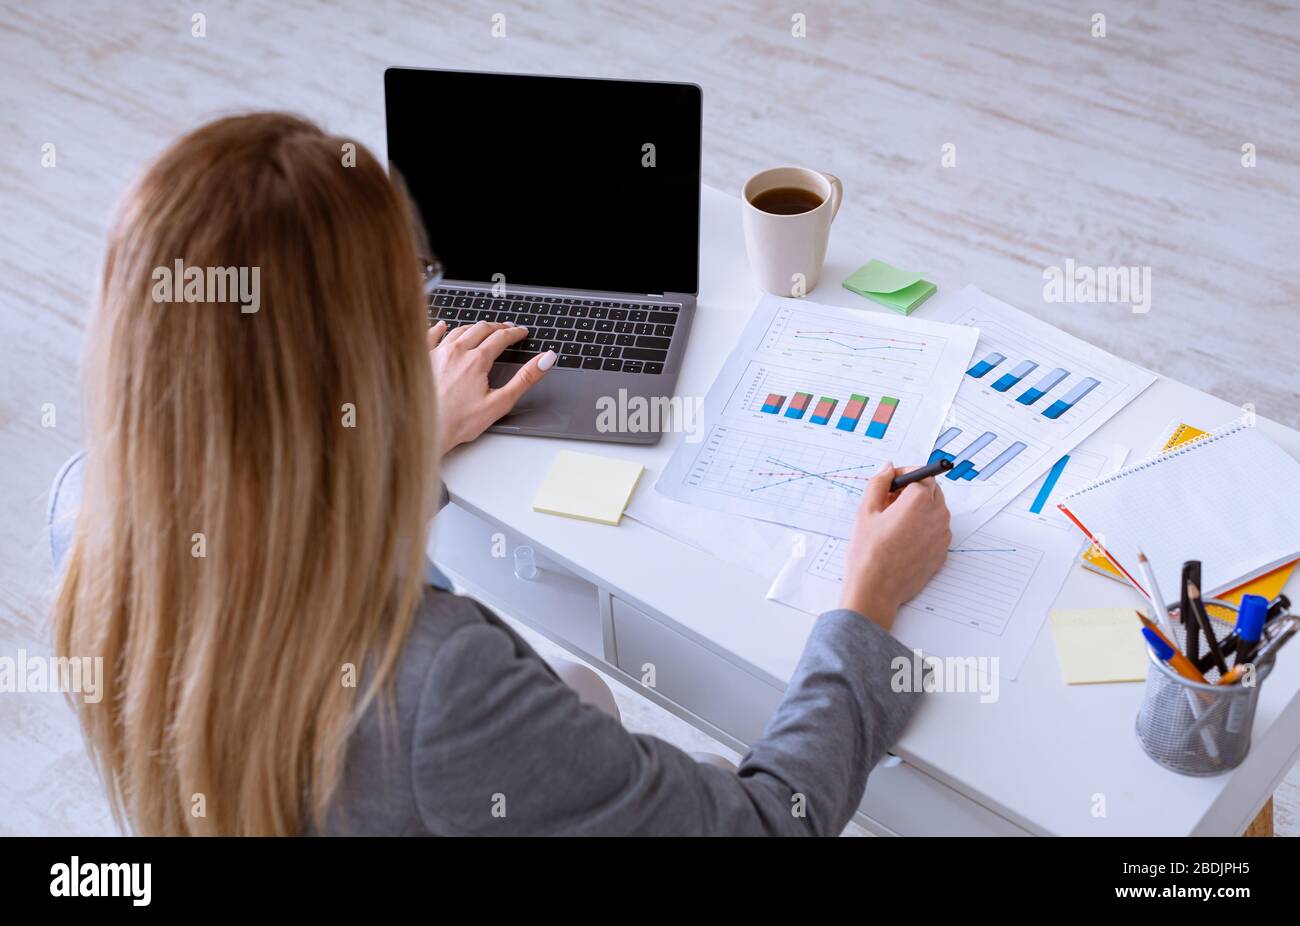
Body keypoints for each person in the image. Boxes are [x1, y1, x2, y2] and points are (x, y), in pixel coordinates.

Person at [49, 113, 951, 836]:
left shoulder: (86, 505)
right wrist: (866, 606)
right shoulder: (445, 691)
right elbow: (761, 823)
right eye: (414, 289)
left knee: (582, 690)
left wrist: (406, 449)